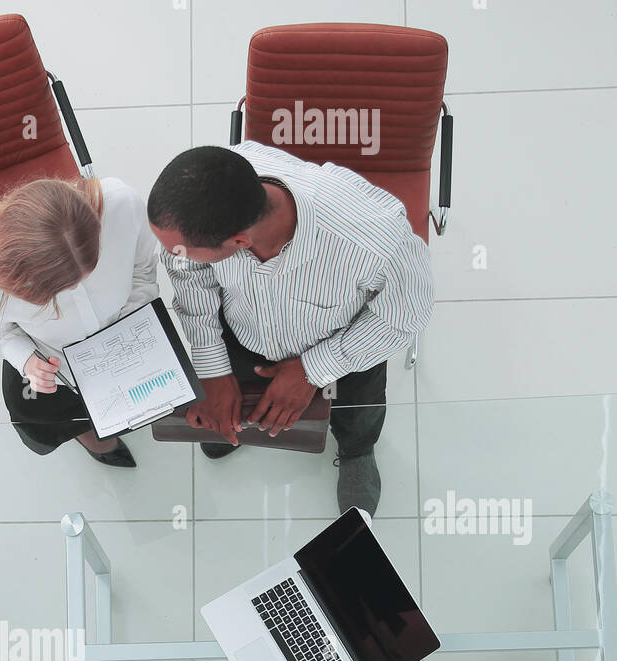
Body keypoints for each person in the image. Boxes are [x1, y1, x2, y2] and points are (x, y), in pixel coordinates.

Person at [147, 143, 434, 514]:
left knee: (359, 414)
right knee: (230, 393)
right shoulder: (219, 191)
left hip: (343, 348)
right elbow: (189, 277)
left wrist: (311, 370)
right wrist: (212, 368)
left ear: (239, 242)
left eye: (177, 249)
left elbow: (405, 315)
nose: (172, 257)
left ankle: (357, 450)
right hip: (243, 330)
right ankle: (237, 418)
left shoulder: (375, 239)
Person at [0, 176, 160, 468]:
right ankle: (87, 435)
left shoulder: (124, 205)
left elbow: (143, 271)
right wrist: (26, 360)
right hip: (54, 367)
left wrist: (130, 323)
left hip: (128, 342)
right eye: (62, 289)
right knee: (51, 417)